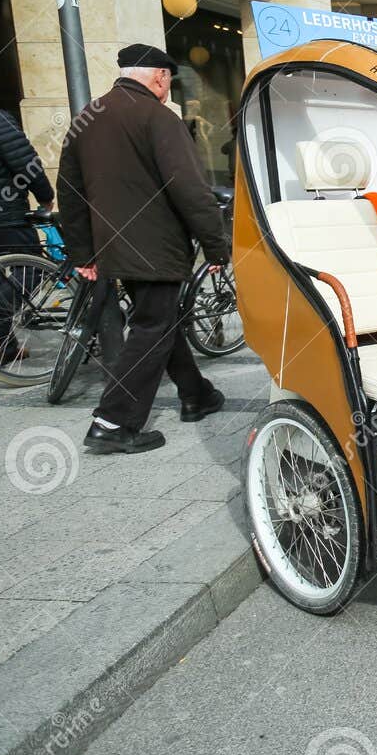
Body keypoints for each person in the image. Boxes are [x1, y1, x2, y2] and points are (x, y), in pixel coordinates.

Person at [56, 45, 231, 454]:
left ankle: (196, 395)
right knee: (152, 329)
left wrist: (84, 254)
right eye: (169, 80)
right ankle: (113, 422)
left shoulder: (88, 117)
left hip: (116, 249)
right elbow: (191, 190)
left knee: (160, 320)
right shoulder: (158, 118)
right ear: (160, 78)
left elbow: (70, 192)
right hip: (158, 248)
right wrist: (217, 247)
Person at [0, 107, 57, 366]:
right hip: (4, 216)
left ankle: (4, 346)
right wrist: (45, 196)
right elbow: (24, 162)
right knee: (32, 269)